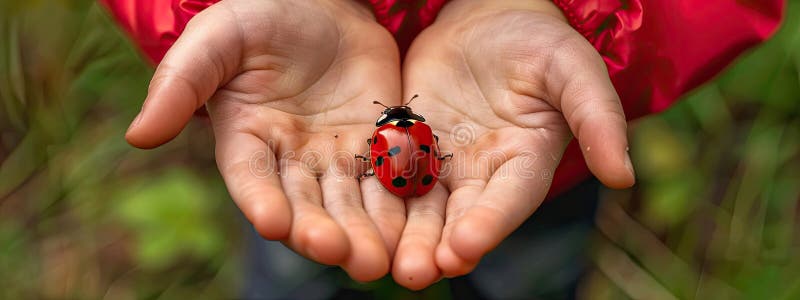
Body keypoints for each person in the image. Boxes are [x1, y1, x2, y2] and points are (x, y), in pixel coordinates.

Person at [100, 0, 784, 296]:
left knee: (527, 263)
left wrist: (578, 16)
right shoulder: (414, 139)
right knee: (299, 249)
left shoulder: (393, 139)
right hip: (445, 136)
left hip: (537, 143)